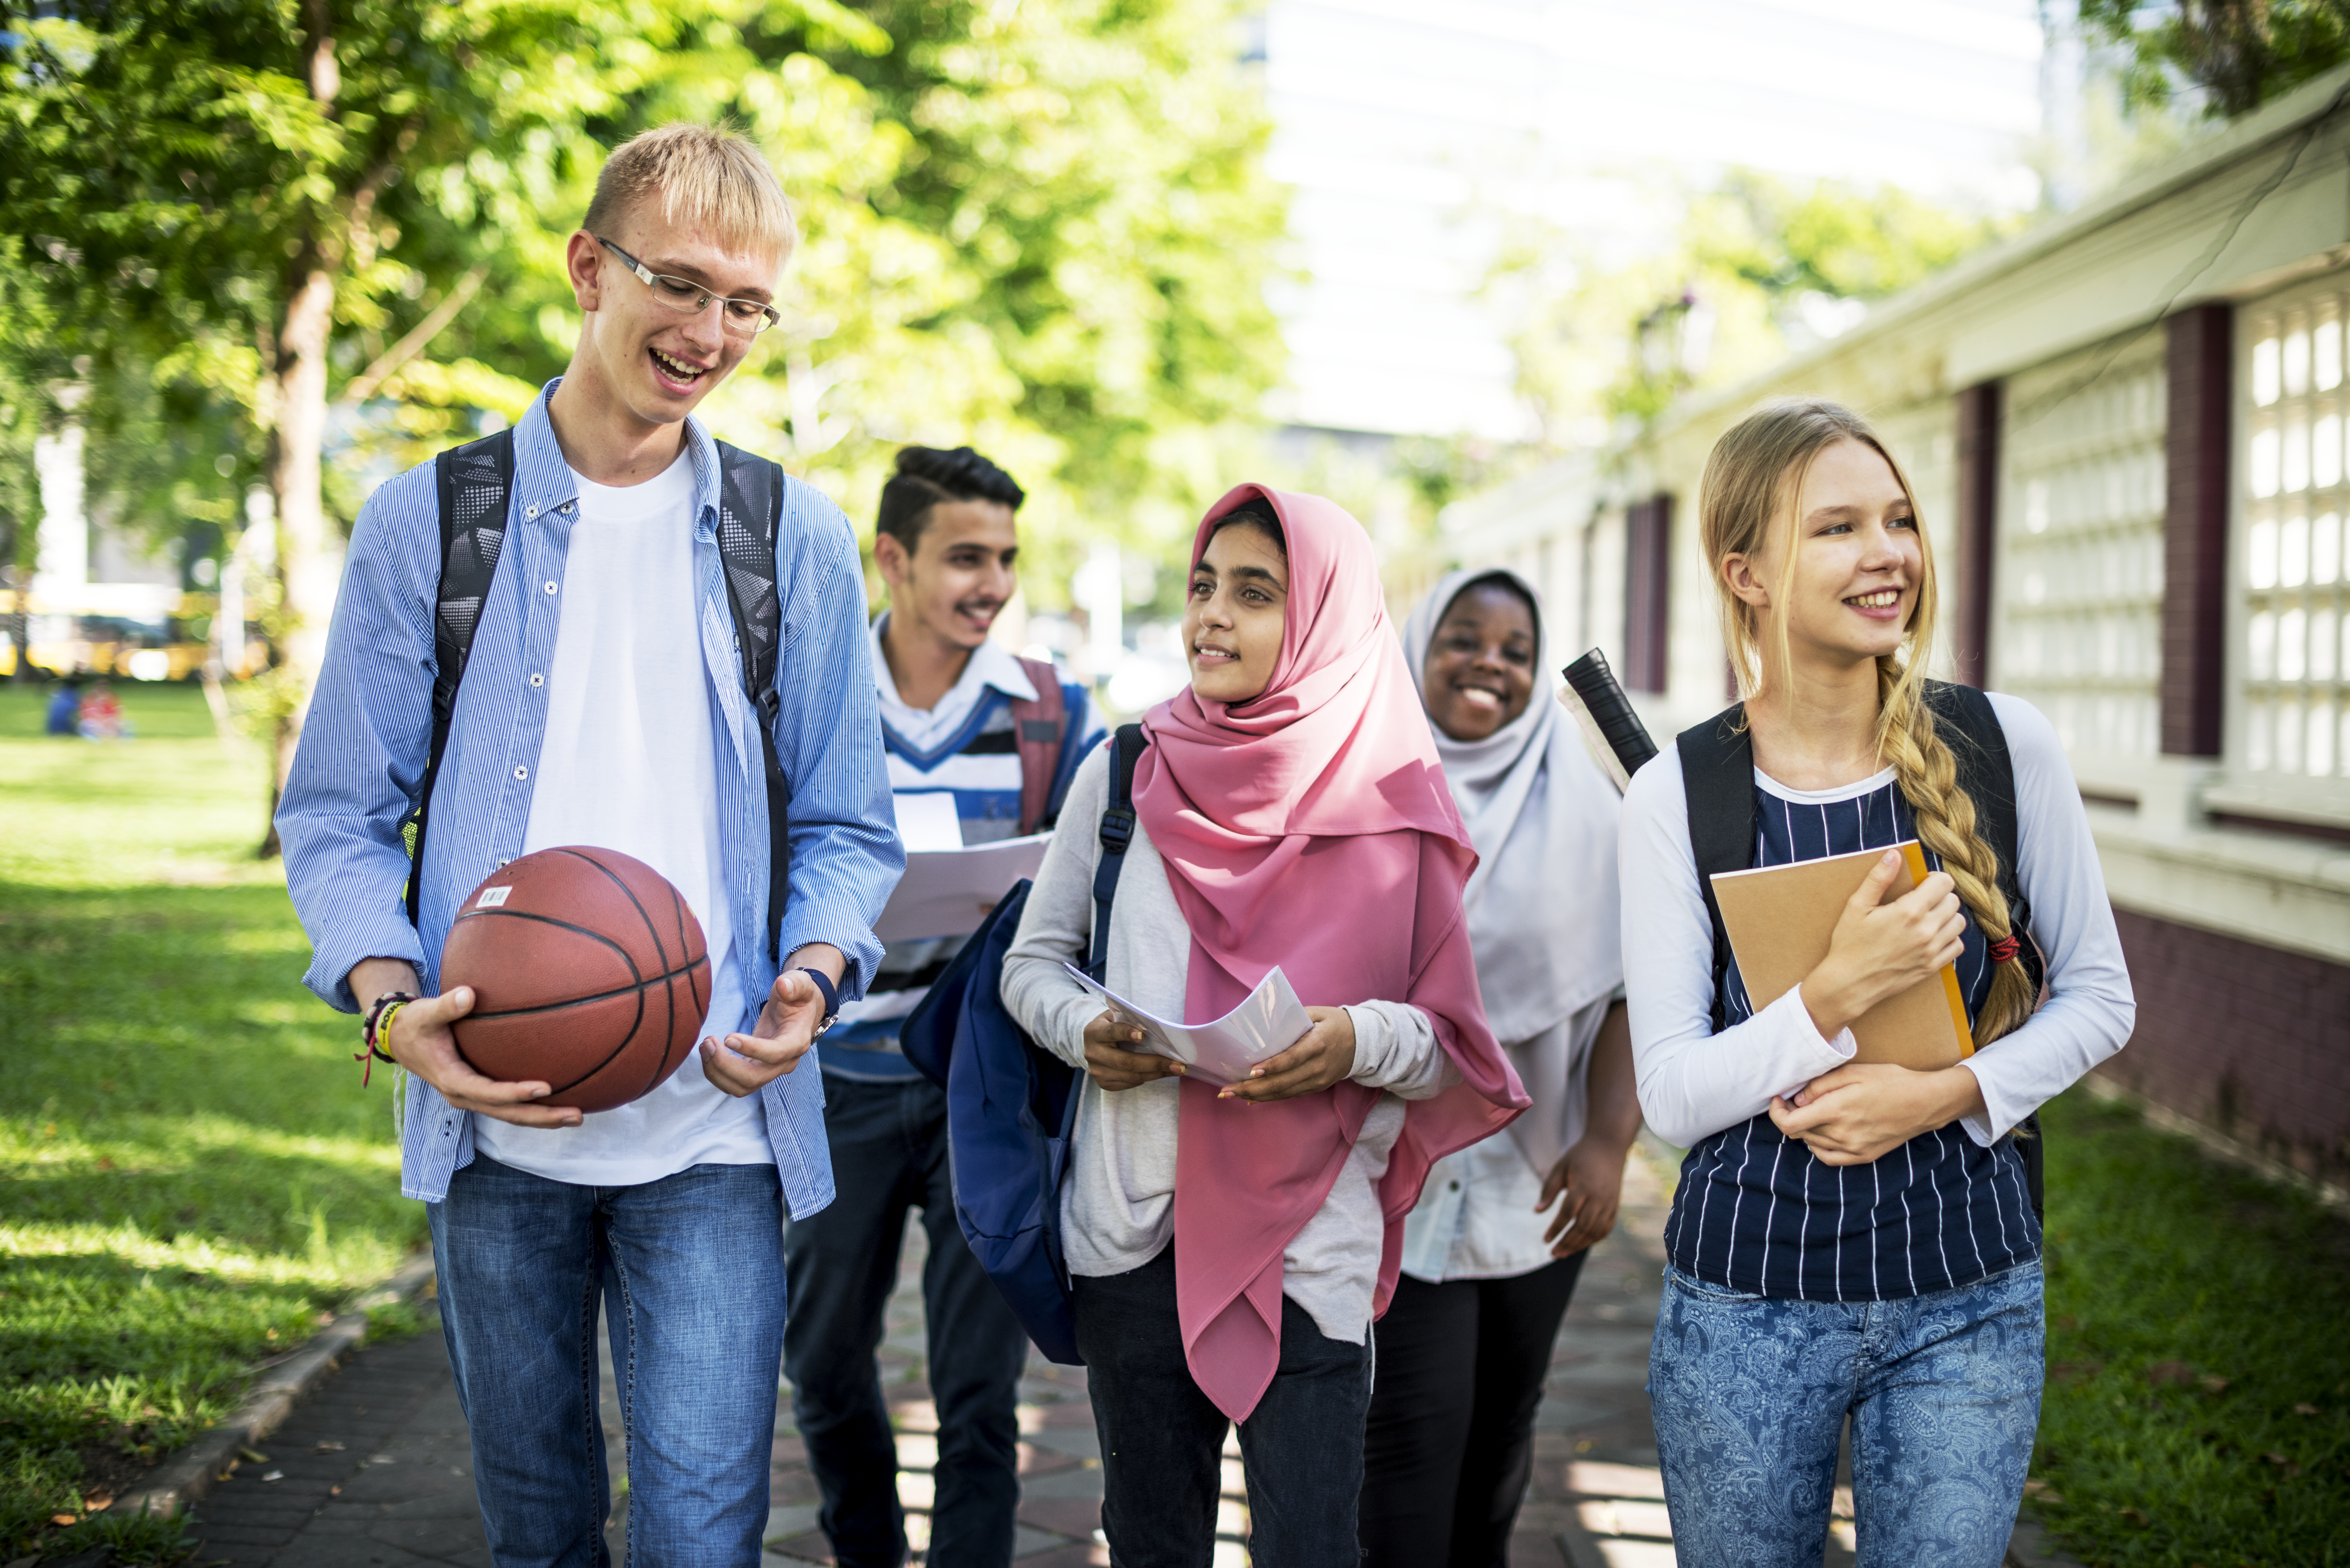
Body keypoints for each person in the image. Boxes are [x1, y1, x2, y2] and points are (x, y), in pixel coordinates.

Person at [275, 124, 902, 1568]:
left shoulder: (788, 533)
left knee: (704, 1539)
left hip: (712, 1136)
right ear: (586, 267)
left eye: (749, 305)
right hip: (495, 1123)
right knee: (541, 1535)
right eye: (680, 286)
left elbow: (850, 823)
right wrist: (388, 1002)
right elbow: (335, 812)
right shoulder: (428, 521)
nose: (710, 334)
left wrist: (811, 968)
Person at [1620, 398, 2135, 1567]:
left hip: (1970, 1296)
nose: (1888, 553)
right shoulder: (1679, 792)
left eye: (1897, 519)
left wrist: (1940, 1094)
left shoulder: (2004, 745)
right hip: (1745, 1306)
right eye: (1839, 527)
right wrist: (1836, 991)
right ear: (1744, 571)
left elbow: (2103, 997)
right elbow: (1672, 1096)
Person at [998, 485, 1529, 1568]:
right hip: (1132, 1232)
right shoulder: (1125, 767)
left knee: (1312, 1545)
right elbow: (1031, 962)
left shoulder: (1398, 802)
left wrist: (1349, 1040)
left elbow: (1445, 1043)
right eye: (1203, 586)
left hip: (1310, 1247)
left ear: (1327, 616)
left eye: (1254, 592)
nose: (1211, 617)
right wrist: (1083, 1028)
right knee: (1151, 1542)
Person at [783, 443, 1099, 1568]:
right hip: (835, 1078)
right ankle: (864, 1547)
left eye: (1007, 557)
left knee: (981, 1389)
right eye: (968, 556)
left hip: (983, 1086)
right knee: (819, 1359)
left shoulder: (1055, 713)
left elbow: (1097, 880)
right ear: (893, 559)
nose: (994, 583)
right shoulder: (811, 703)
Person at [1358, 568, 1640, 1567]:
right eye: (1463, 637)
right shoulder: (1360, 790)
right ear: (1416, 649)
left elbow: (1628, 994)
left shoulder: (1602, 813)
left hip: (1539, 1183)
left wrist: (1608, 1143)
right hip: (1395, 1179)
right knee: (1407, 1449)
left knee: (1499, 1448)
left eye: (1517, 651)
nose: (1489, 663)